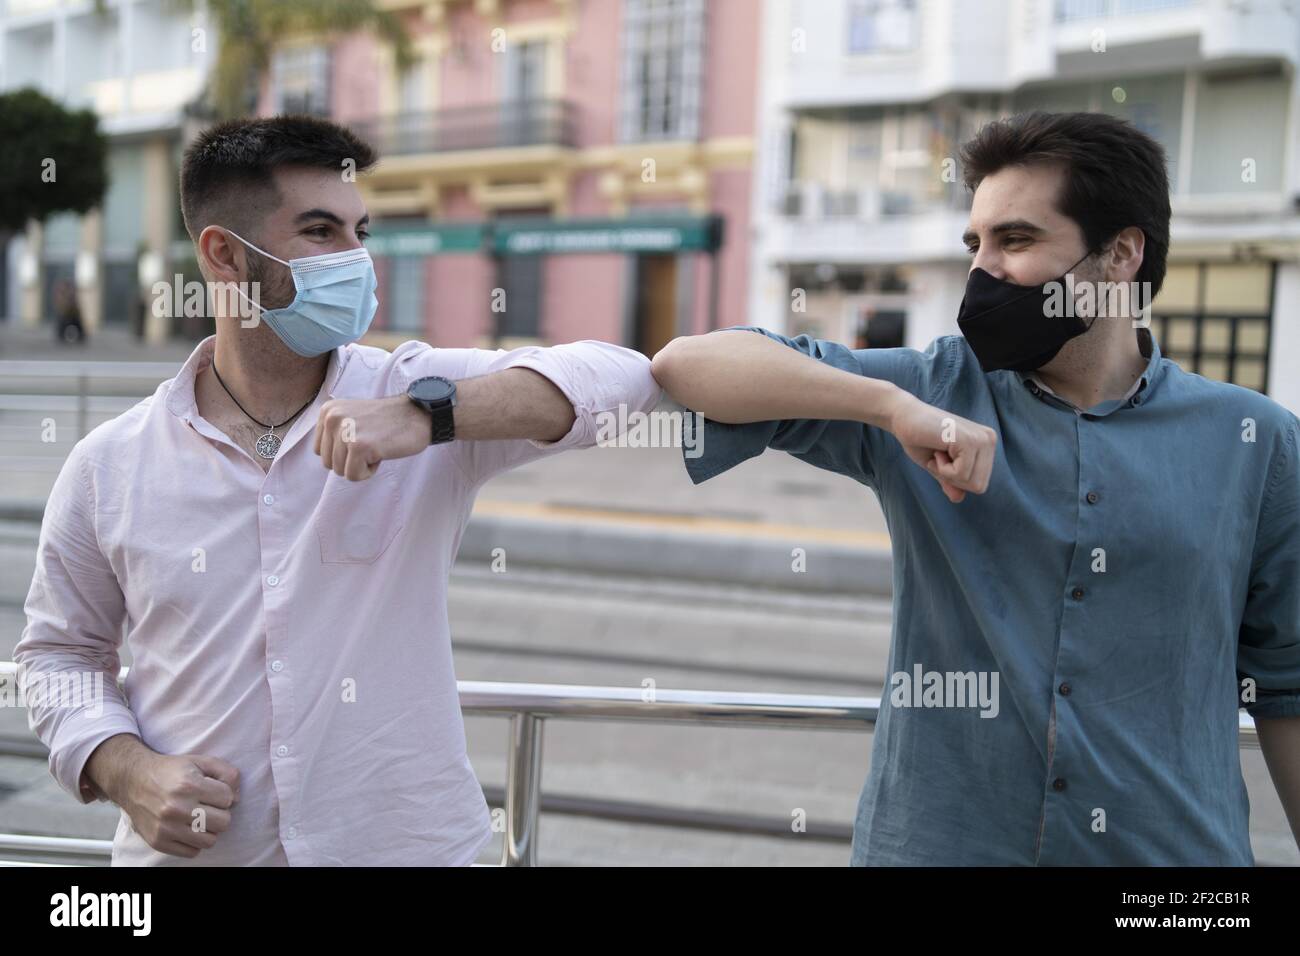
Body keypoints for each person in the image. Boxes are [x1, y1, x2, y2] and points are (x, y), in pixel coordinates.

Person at [651, 111, 1300, 865]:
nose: (982, 269)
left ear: (1121, 254)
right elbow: (687, 366)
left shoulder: (1258, 441)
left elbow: (1287, 685)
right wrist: (891, 410)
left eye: (1015, 240)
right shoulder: (929, 391)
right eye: (975, 244)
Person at [14, 114, 661, 865]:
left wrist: (430, 415)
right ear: (224, 256)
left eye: (362, 232)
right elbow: (57, 657)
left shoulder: (408, 391)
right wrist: (126, 771)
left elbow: (625, 380)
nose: (357, 260)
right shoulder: (108, 464)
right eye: (321, 232)